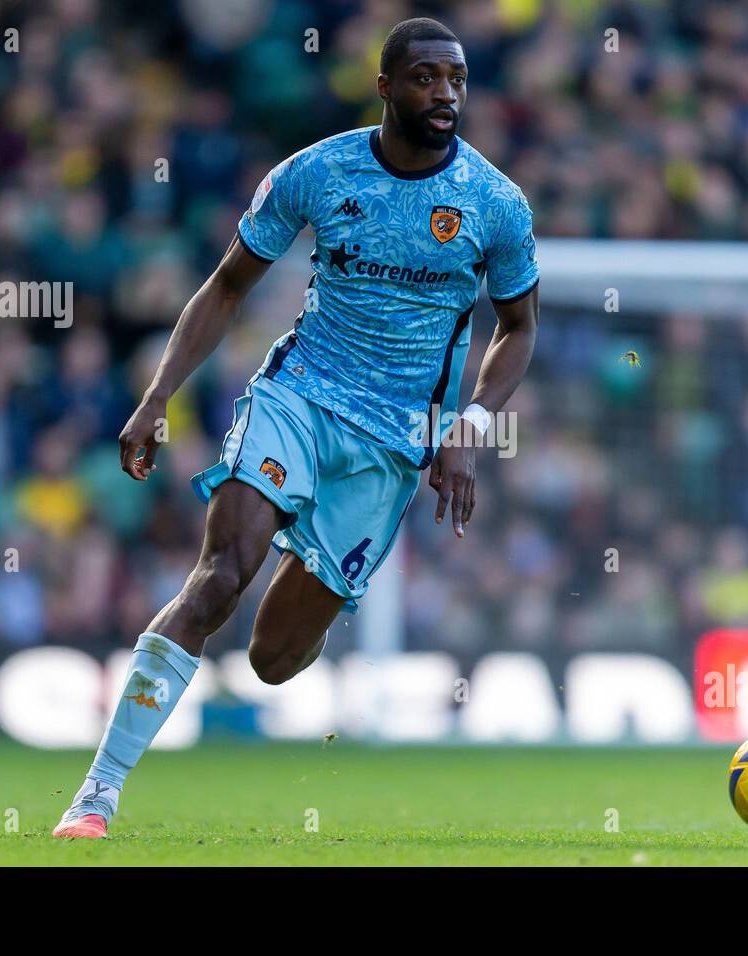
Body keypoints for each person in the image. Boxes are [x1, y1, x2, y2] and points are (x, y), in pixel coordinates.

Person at [53, 18, 540, 838]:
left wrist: (472, 423)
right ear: (384, 87)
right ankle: (97, 794)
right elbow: (227, 286)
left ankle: (304, 546)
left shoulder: (494, 202)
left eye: (456, 78)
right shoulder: (316, 173)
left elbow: (517, 327)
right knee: (217, 580)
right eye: (425, 78)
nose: (446, 94)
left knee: (274, 661)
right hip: (302, 397)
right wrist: (157, 395)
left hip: (391, 446)